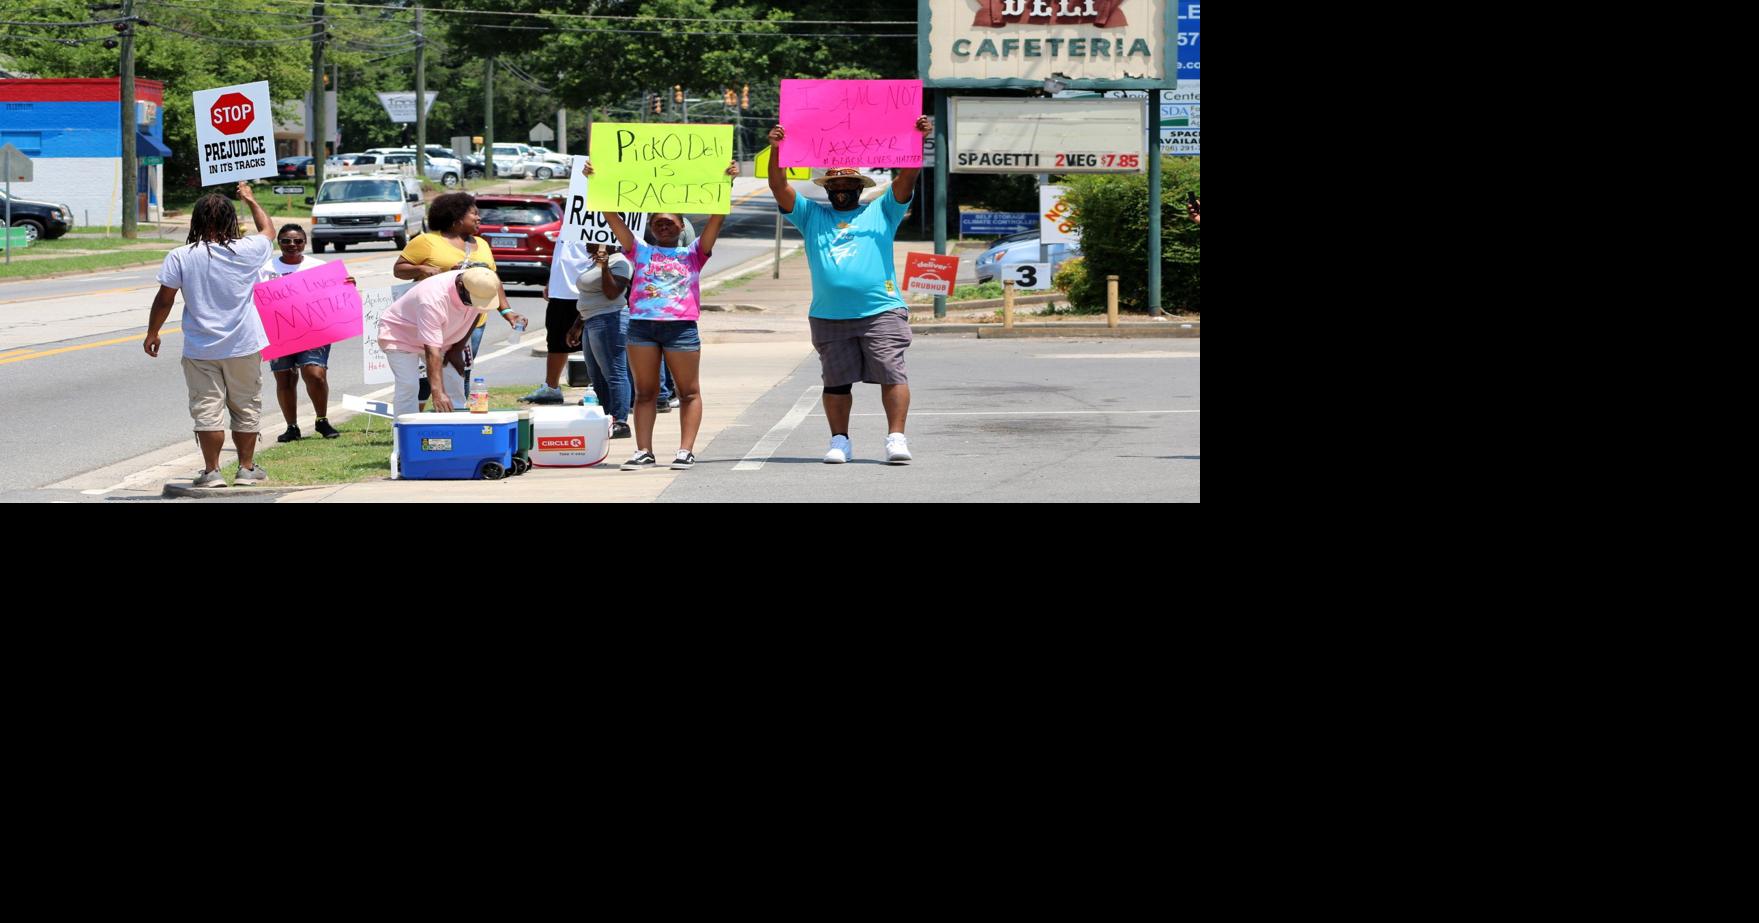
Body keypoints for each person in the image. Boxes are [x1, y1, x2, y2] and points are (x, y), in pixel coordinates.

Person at [764, 117, 932, 465]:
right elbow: (779, 187)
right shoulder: (811, 215)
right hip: (830, 315)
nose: (842, 187)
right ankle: (840, 441)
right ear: (826, 188)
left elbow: (906, 178)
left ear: (859, 186)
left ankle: (896, 438)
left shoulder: (882, 211)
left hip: (881, 310)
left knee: (892, 373)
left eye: (848, 182)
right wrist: (778, 148)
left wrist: (915, 139)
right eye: (835, 182)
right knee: (836, 381)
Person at [580, 159, 738, 471]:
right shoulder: (638, 251)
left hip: (680, 329)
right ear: (650, 228)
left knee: (689, 391)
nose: (662, 225)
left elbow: (716, 220)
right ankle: (643, 451)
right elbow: (612, 217)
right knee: (645, 392)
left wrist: (727, 184)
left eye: (668, 222)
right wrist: (593, 182)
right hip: (642, 329)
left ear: (682, 226)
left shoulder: (694, 253)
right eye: (657, 222)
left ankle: (685, 450)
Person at [143, 183, 275, 488]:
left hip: (201, 348)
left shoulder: (180, 256)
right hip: (244, 344)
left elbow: (165, 298)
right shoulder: (248, 250)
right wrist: (252, 200)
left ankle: (212, 471)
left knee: (206, 410)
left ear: (196, 221)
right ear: (232, 220)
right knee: (245, 405)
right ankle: (246, 468)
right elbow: (268, 230)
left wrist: (153, 331)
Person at [393, 192, 526, 398]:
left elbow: (493, 280)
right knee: (427, 373)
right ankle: (420, 416)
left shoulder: (481, 244)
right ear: (456, 218)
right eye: (474, 214)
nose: (479, 218)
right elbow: (399, 269)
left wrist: (507, 311)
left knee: (460, 370)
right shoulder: (427, 241)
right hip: (435, 317)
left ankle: (458, 413)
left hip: (472, 321)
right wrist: (422, 268)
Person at [265, 223, 355, 442]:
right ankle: (292, 427)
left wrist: (347, 286)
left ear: (305, 242)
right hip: (278, 331)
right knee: (285, 379)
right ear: (279, 242)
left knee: (314, 374)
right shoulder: (266, 268)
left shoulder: (319, 267)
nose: (292, 245)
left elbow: (336, 295)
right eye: (286, 240)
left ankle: (321, 420)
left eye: (297, 241)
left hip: (314, 330)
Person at [377, 267, 503, 417]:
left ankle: (455, 429)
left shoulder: (480, 284)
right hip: (401, 335)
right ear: (460, 286)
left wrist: (457, 348)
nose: (476, 305)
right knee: (409, 385)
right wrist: (437, 392)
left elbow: (476, 313)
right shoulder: (433, 299)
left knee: (454, 382)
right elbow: (432, 351)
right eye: (472, 301)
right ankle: (403, 432)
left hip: (443, 337)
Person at [560, 242, 634, 439]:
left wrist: (604, 266)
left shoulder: (620, 262)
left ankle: (620, 421)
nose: (586, 243)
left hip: (610, 320)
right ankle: (604, 416)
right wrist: (577, 325)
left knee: (614, 373)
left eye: (591, 239)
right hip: (590, 320)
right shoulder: (593, 263)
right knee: (596, 375)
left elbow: (612, 293)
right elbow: (588, 295)